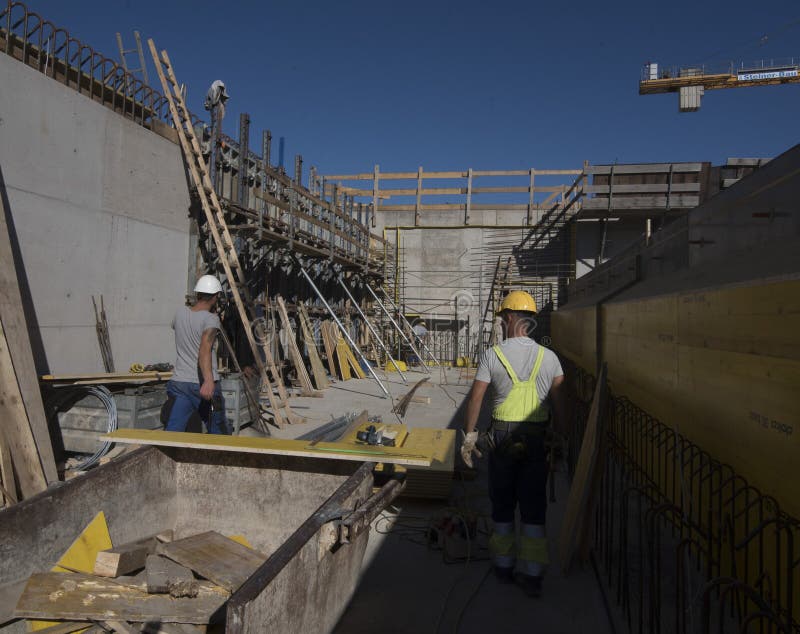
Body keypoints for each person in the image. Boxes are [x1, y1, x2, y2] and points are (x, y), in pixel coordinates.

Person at [460, 290, 566, 597]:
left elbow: (476, 398)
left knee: (503, 504)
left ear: (508, 319)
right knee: (533, 506)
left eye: (501, 320)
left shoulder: (493, 355)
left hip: (502, 441)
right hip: (537, 442)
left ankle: (504, 567)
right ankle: (532, 574)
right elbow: (561, 402)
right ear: (530, 319)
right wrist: (561, 436)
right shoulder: (550, 358)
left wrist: (469, 436)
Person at [164, 275, 230, 434]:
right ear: (215, 297)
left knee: (174, 429)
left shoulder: (180, 313)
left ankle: (167, 456)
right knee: (217, 428)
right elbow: (204, 350)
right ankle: (221, 457)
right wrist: (208, 381)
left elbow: (176, 326)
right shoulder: (211, 319)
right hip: (201, 384)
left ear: (198, 294)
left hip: (180, 383)